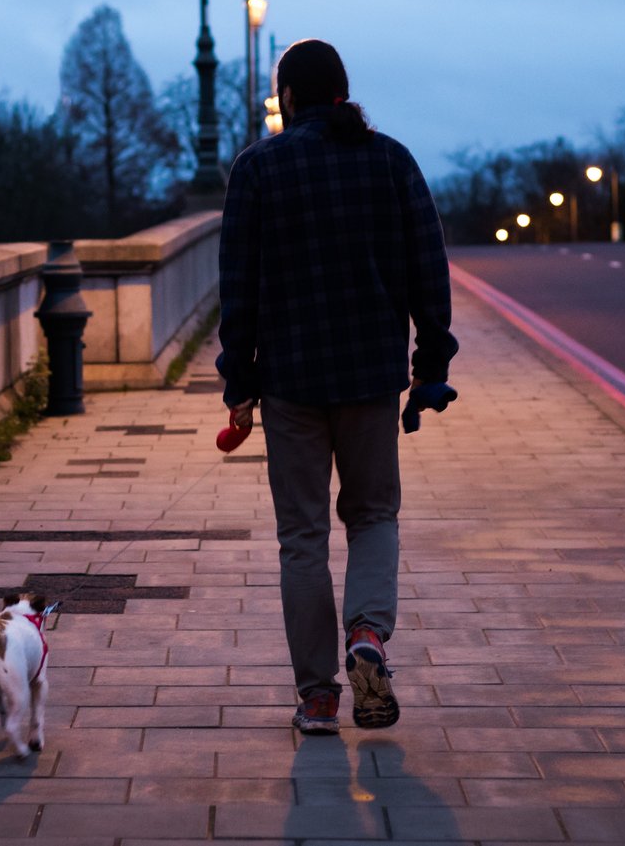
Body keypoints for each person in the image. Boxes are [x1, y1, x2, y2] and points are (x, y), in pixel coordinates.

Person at [216, 38, 458, 736]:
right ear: (341, 93)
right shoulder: (390, 160)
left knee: (302, 535)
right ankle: (369, 635)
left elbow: (239, 292)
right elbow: (427, 271)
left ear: (288, 97)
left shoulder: (258, 168)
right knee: (373, 516)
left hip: (290, 381)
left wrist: (239, 380)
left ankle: (318, 696)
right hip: (370, 377)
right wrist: (429, 364)